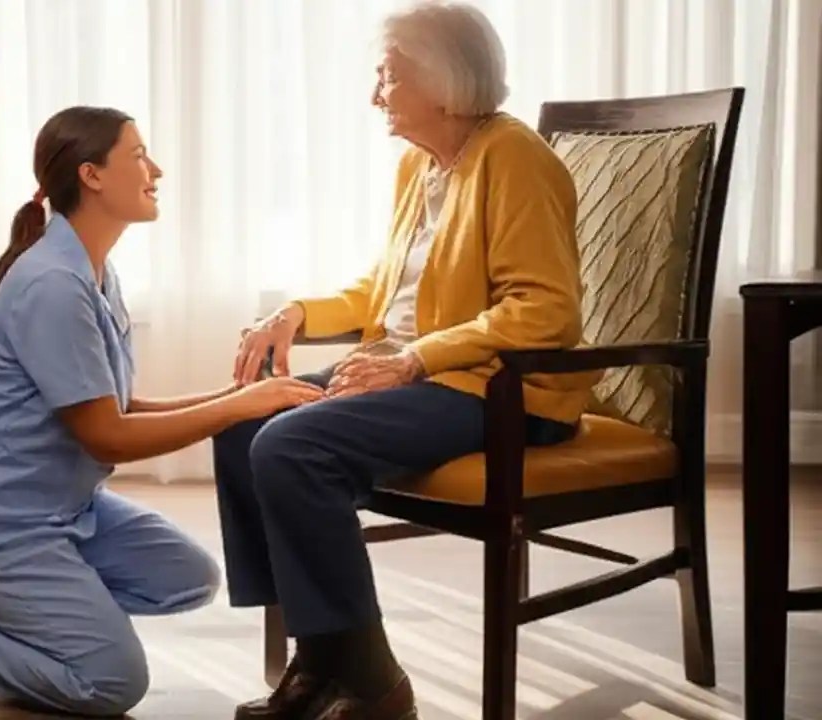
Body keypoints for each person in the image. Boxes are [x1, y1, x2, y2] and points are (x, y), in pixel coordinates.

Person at [0, 106, 325, 716]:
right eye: (138, 155)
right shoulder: (52, 284)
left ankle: (14, 609)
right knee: (111, 682)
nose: (155, 170)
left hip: (61, 510)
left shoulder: (96, 271)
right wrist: (238, 406)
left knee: (187, 577)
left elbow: (116, 404)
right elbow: (107, 436)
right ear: (91, 175)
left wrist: (234, 399)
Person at [216, 3, 599, 719]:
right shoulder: (419, 166)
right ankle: (320, 656)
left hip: (497, 390)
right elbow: (385, 292)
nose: (375, 95)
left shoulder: (515, 158)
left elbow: (546, 309)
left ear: (445, 82)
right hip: (418, 376)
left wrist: (418, 359)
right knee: (243, 422)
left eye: (388, 77)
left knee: (292, 444)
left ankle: (371, 680)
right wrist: (295, 312)